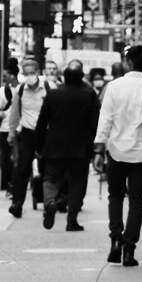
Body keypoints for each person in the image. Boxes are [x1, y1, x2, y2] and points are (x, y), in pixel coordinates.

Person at [93, 44, 142, 267]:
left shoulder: (114, 87)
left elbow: (105, 120)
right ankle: (129, 248)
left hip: (116, 150)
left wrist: (98, 149)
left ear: (128, 62)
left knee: (115, 196)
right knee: (136, 201)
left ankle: (115, 240)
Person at [33, 59, 98, 231]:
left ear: (65, 77)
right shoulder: (90, 94)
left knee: (51, 178)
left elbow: (42, 122)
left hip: (54, 145)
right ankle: (72, 220)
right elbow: (95, 123)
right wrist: (96, 147)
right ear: (82, 76)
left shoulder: (54, 94)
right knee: (77, 183)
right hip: (80, 147)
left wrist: (38, 146)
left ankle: (50, 202)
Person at [4, 56, 47, 216]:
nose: (29, 75)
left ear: (37, 72)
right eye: (26, 72)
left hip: (45, 134)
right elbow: (14, 114)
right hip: (27, 133)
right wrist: (11, 133)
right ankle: (17, 203)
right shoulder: (20, 90)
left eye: (32, 72)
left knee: (46, 168)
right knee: (22, 169)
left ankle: (47, 200)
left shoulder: (48, 87)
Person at [0, 57, 20, 206]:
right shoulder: (3, 91)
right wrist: (2, 114)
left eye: (6, 76)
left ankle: (14, 186)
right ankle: (9, 185)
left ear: (12, 75)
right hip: (5, 129)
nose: (5, 78)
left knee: (17, 160)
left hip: (19, 130)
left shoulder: (22, 88)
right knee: (5, 161)